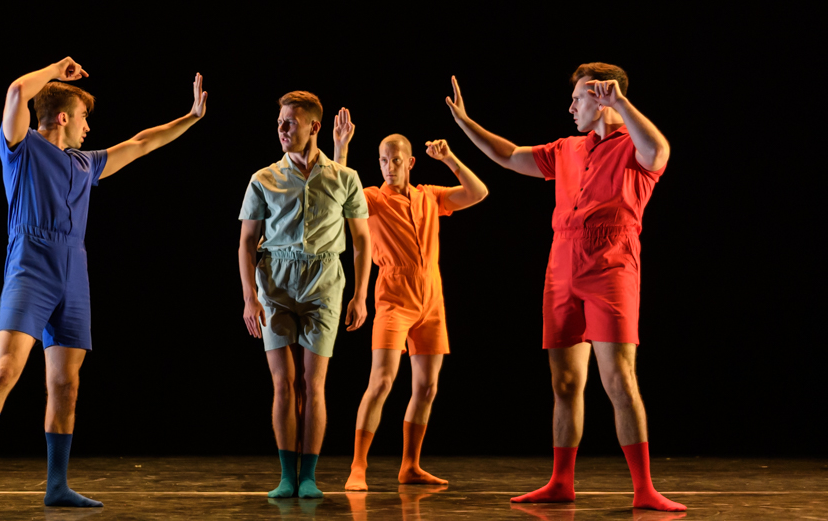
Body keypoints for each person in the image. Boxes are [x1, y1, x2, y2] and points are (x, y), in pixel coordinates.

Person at [0, 57, 208, 515]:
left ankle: (57, 485)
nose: (89, 127)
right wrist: (52, 73)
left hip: (73, 271)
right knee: (5, 370)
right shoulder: (21, 149)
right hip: (30, 266)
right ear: (63, 117)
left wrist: (192, 117)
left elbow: (142, 144)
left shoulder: (87, 163)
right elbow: (13, 94)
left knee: (65, 385)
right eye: (84, 118)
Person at [446, 65, 685, 512]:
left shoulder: (633, 146)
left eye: (578, 98)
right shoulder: (568, 148)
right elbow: (511, 155)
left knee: (618, 378)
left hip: (611, 262)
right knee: (565, 380)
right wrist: (466, 124)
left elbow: (658, 149)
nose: (571, 106)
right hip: (562, 262)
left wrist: (621, 104)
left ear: (601, 98)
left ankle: (644, 488)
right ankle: (560, 481)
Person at [330, 109, 488, 491]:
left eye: (395, 160)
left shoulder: (429, 197)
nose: (388, 167)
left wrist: (450, 159)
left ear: (410, 162)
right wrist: (340, 147)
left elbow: (478, 192)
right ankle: (358, 467)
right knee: (381, 381)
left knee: (427, 388)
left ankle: (410, 466)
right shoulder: (371, 198)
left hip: (431, 297)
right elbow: (335, 194)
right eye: (383, 160)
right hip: (393, 295)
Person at [238, 91, 372, 499]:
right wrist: (249, 297)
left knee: (315, 384)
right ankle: (286, 475)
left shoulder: (344, 177)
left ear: (314, 127)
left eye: (291, 122)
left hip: (325, 282)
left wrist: (360, 294)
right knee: (284, 383)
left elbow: (362, 240)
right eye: (280, 121)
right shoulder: (263, 178)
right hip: (276, 283)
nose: (282, 129)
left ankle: (309, 475)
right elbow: (246, 242)